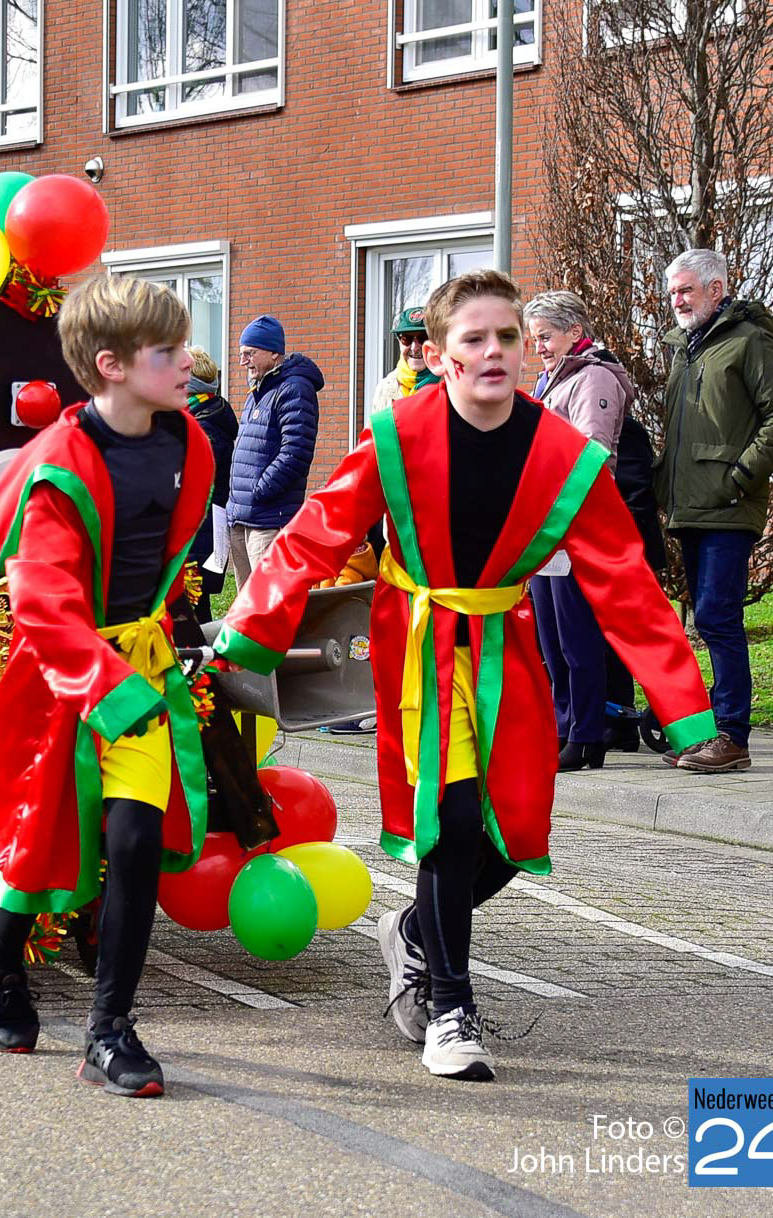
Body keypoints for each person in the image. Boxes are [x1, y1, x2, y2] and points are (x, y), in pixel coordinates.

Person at [215, 270, 717, 1081]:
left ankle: (414, 932)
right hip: (422, 647)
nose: (493, 352)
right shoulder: (395, 435)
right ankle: (450, 1006)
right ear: (442, 355)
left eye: (507, 336)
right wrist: (251, 630)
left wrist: (686, 709)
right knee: (448, 818)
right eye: (474, 338)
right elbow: (314, 536)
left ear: (524, 349)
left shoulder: (566, 455)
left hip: (506, 646)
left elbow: (625, 584)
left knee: (515, 832)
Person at [0, 274, 216, 1098]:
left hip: (139, 669)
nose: (188, 363)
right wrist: (108, 690)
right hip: (61, 679)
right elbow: (42, 602)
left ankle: (110, 1030)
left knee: (134, 845)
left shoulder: (187, 441)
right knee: (39, 846)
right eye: (168, 352)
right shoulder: (60, 466)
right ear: (111, 365)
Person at [656, 248, 773, 773]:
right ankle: (709, 733)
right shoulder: (686, 348)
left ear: (716, 289)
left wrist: (740, 476)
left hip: (727, 505)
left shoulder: (749, 340)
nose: (676, 300)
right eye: (672, 292)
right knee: (707, 619)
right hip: (689, 507)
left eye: (686, 290)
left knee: (719, 617)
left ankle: (732, 736)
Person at [523, 291, 636, 771]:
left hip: (572, 526)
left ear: (574, 331)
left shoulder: (593, 377)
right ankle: (563, 725)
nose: (539, 347)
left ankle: (587, 734)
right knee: (550, 639)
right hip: (543, 526)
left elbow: (594, 452)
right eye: (535, 339)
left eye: (546, 336)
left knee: (576, 637)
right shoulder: (550, 378)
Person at [226, 315, 323, 588]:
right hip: (243, 518)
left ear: (273, 352)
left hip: (268, 521)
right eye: (241, 354)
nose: (243, 361)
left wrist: (259, 491)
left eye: (250, 353)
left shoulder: (294, 389)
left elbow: (296, 453)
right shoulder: (257, 392)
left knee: (270, 602)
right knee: (246, 606)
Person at [184, 346, 236, 625]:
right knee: (195, 605)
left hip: (200, 527)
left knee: (193, 603)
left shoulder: (204, 428)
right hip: (204, 526)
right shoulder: (206, 417)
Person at [370, 306, 439, 414]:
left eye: (423, 338)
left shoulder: (451, 385)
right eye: (406, 339)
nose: (414, 348)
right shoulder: (384, 389)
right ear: (399, 342)